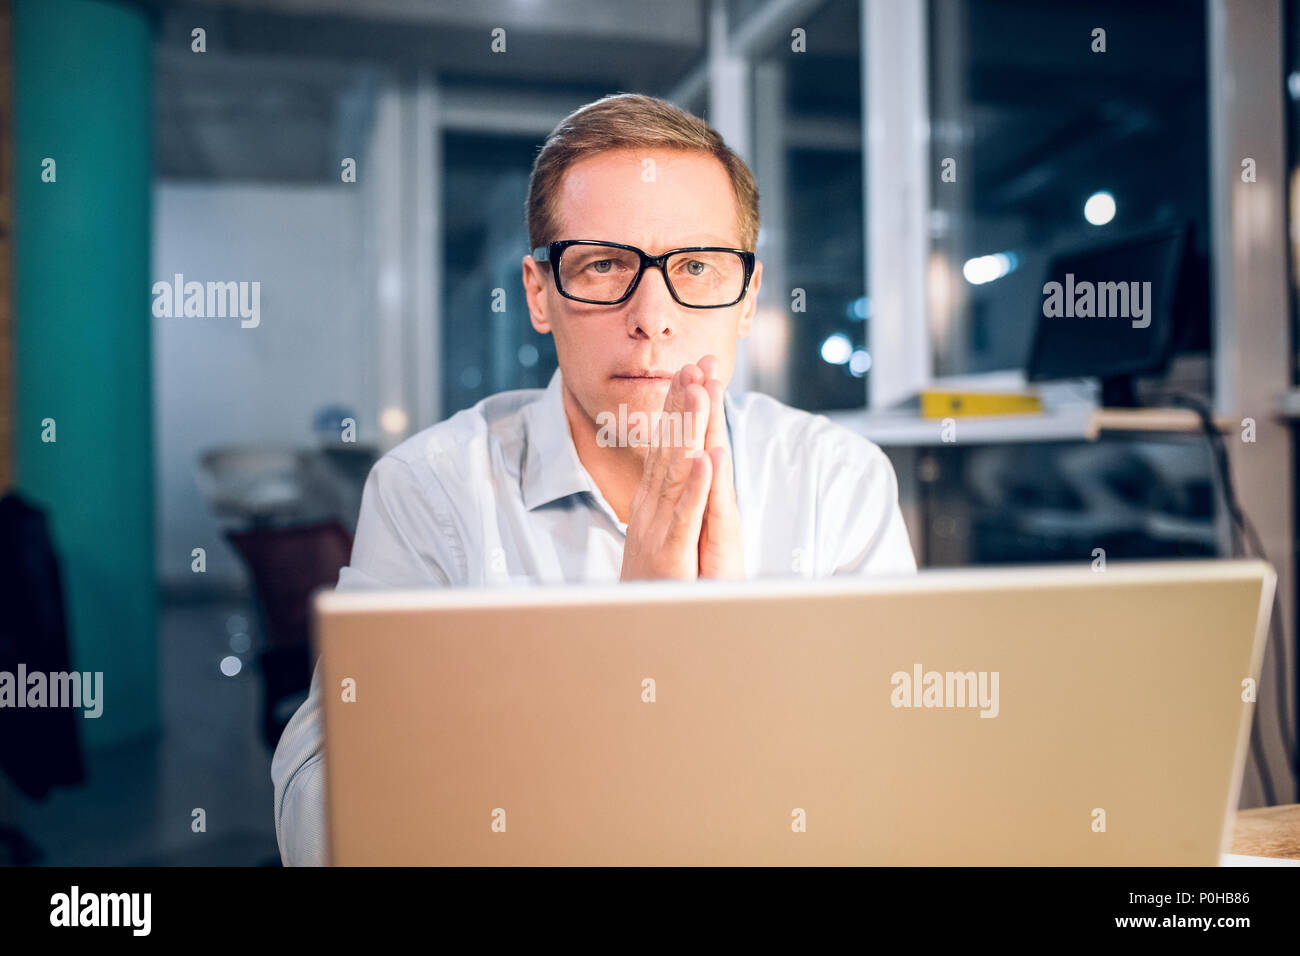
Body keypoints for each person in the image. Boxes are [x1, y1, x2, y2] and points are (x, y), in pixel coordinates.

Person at [271, 92, 916, 865]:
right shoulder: (431, 489)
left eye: (698, 267)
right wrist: (621, 665)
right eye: (605, 265)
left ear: (746, 298)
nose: (652, 315)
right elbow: (319, 814)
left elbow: (897, 784)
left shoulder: (835, 480)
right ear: (541, 293)